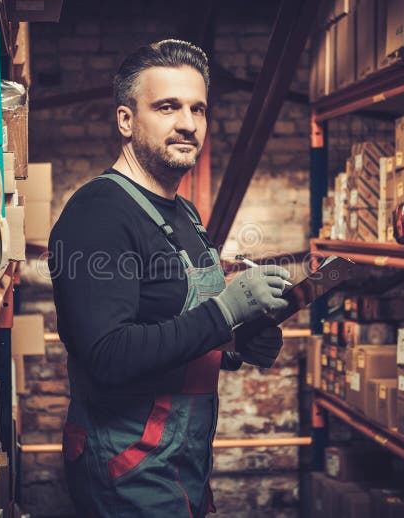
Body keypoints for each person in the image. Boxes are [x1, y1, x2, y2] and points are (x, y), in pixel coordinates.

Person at [48, 39, 292, 517]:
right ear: (125, 120)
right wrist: (225, 312)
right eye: (167, 107)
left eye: (197, 108)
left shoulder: (184, 212)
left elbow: (172, 322)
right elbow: (108, 354)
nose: (188, 123)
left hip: (182, 463)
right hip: (126, 469)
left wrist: (238, 344)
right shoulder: (98, 214)